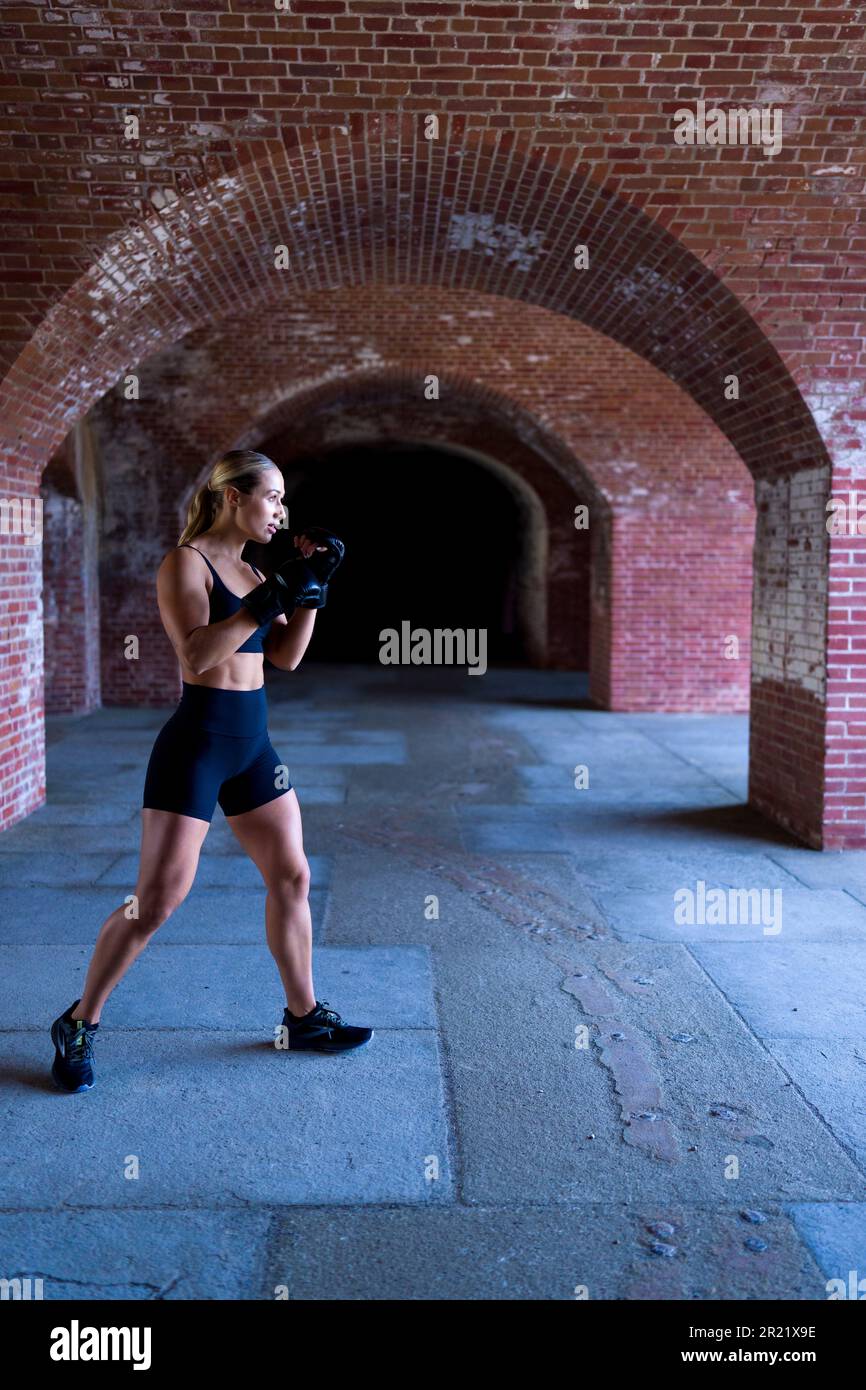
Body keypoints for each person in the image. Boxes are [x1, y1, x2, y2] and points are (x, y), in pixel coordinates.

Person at [49, 449, 372, 1092]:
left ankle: (303, 1016)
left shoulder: (255, 570)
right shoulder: (185, 563)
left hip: (253, 744)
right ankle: (79, 1022)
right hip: (197, 744)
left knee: (292, 875)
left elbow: (285, 658)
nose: (281, 510)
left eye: (284, 500)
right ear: (232, 497)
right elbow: (197, 655)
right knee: (156, 900)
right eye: (272, 497)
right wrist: (269, 596)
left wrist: (311, 587)